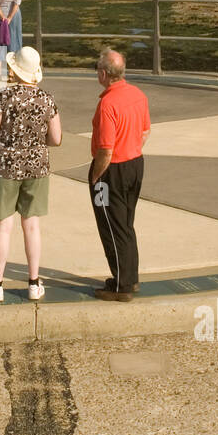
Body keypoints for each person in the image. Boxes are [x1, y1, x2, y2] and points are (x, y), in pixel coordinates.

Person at [0, 46, 61, 303]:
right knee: (32, 225)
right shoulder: (47, 99)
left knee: (3, 227)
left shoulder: (4, 97)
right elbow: (56, 138)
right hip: (36, 167)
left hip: (4, 166)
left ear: (14, 70)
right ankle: (34, 284)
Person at [89, 49, 151, 301]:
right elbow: (145, 131)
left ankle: (121, 286)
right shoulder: (137, 94)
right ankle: (129, 277)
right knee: (125, 223)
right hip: (135, 163)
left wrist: (95, 176)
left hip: (111, 170)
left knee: (111, 226)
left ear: (104, 74)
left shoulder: (107, 104)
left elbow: (105, 149)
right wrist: (131, 148)